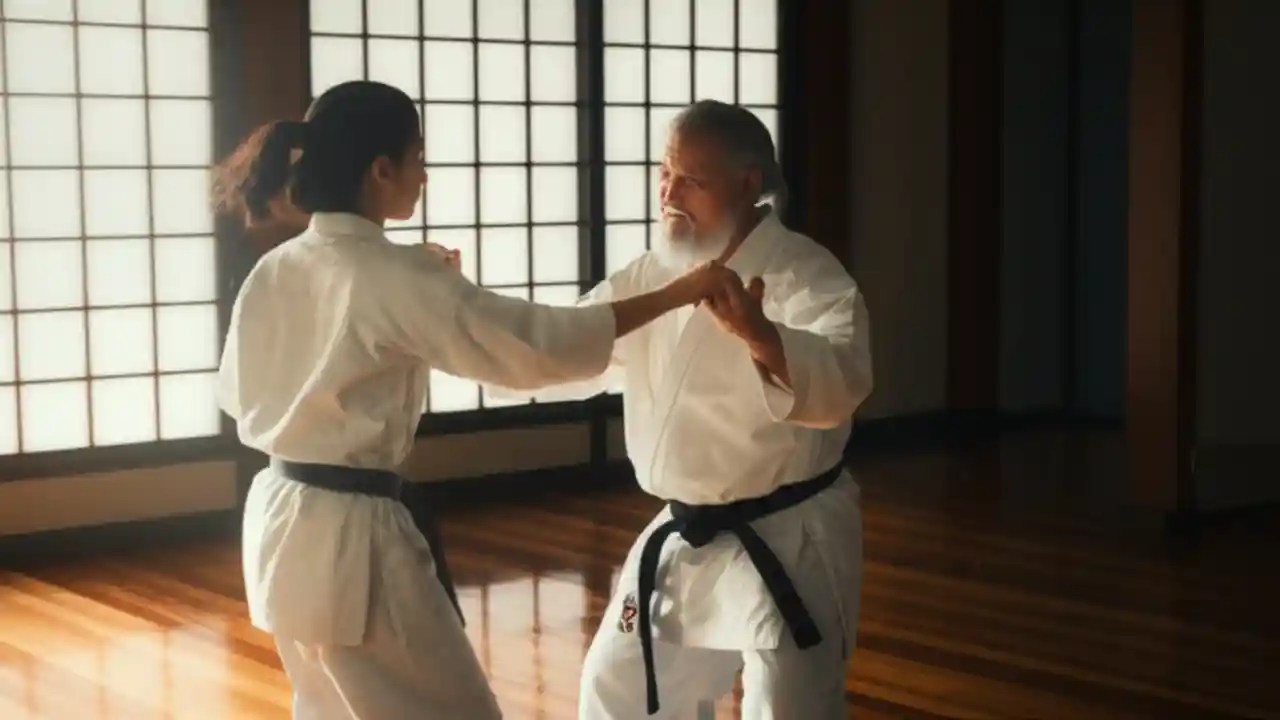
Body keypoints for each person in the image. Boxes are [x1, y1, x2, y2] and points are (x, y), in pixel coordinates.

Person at [212, 81, 740, 719]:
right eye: (417, 158)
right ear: (381, 170)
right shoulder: (393, 274)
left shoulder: (279, 266)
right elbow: (534, 343)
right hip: (352, 540)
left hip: (279, 516)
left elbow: (242, 393)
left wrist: (424, 294)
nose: (424, 174)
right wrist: (678, 292)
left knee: (331, 706)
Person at [487, 100, 873, 718]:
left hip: (788, 534)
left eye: (690, 179)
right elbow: (573, 339)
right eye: (663, 172)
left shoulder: (804, 272)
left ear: (748, 183)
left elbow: (843, 380)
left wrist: (760, 336)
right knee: (618, 687)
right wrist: (458, 322)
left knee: (788, 705)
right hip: (687, 529)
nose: (668, 193)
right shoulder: (653, 276)